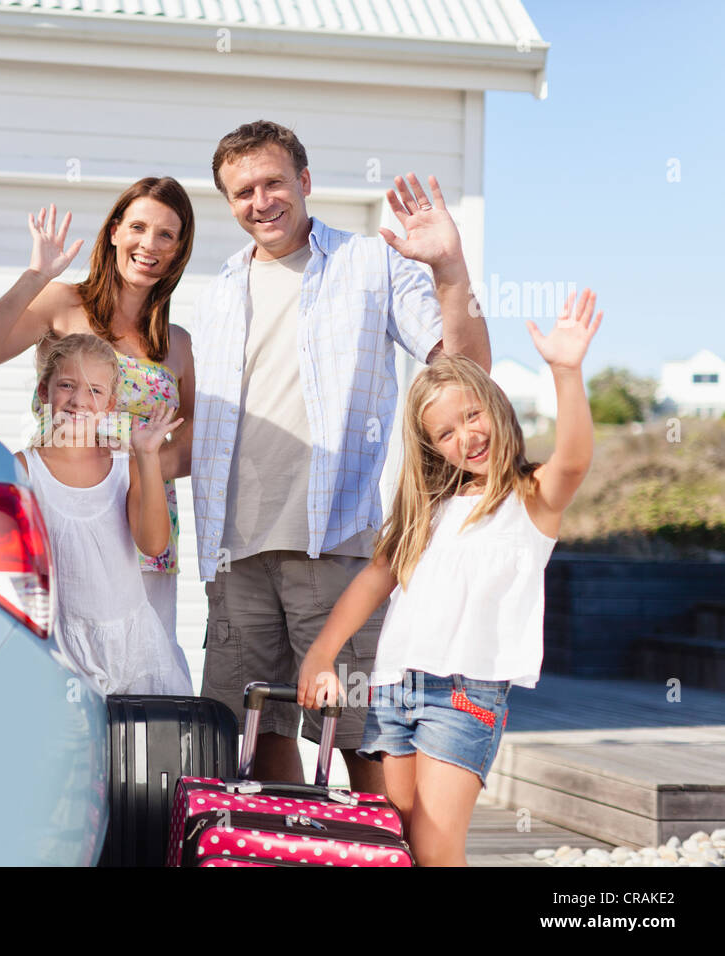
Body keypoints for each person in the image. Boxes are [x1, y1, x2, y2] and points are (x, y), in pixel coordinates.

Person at [192, 119, 492, 792]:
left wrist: (449, 268)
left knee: (364, 736)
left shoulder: (369, 264)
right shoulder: (220, 290)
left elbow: (468, 367)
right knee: (254, 739)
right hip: (234, 555)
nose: (260, 201)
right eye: (242, 191)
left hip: (335, 549)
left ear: (304, 181)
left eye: (273, 182)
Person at [296, 289, 602, 866]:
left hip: (466, 694)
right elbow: (371, 582)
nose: (466, 436)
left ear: (496, 404)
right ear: (431, 447)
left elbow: (575, 459)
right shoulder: (428, 508)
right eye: (445, 433)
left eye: (472, 415)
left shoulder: (530, 496)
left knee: (437, 847)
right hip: (392, 688)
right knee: (397, 840)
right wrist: (321, 655)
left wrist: (566, 371)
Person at [0, 179, 196, 643]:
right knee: (58, 664)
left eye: (166, 234)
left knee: (140, 681)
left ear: (179, 250)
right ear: (114, 232)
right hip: (62, 516)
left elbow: (190, 444)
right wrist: (34, 278)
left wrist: (133, 474)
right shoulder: (63, 304)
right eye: (139, 227)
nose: (149, 244)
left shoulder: (178, 343)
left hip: (144, 533)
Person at [14, 333, 192, 696]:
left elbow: (154, 543)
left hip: (135, 648)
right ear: (44, 392)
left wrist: (147, 456)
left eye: (95, 391)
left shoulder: (127, 466)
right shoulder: (23, 469)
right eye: (67, 385)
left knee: (142, 750)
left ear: (110, 405)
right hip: (61, 649)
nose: (79, 400)